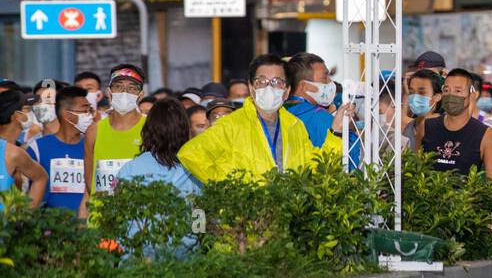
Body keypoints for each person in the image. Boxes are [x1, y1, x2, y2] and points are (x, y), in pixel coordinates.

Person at [180, 54, 339, 183]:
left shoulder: (295, 125)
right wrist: (228, 187)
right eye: (262, 81)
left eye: (277, 82)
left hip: (285, 215)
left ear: (286, 90)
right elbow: (190, 154)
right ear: (251, 87)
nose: (269, 87)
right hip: (245, 219)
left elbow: (314, 167)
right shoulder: (231, 124)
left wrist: (336, 133)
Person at [420, 67, 492, 178]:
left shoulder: (486, 134)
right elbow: (415, 168)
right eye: (446, 90)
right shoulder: (426, 126)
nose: (451, 95)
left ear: (471, 96)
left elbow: (491, 183)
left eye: (458, 91)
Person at [27, 85, 94, 214]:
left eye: (90, 110)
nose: (90, 115)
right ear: (67, 115)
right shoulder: (37, 148)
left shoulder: (93, 146)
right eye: (85, 110)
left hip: (87, 228)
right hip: (48, 227)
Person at [117, 98, 202, 198]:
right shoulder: (198, 167)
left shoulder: (130, 169)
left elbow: (119, 209)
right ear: (185, 128)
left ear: (149, 127)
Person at [284, 52, 359, 165]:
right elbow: (349, 158)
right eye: (325, 78)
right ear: (304, 87)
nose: (330, 83)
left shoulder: (281, 113)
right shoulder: (320, 118)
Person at [84, 63, 147, 198]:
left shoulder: (151, 128)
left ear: (140, 95)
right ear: (109, 92)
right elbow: (89, 178)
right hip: (103, 214)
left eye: (131, 88)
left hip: (140, 215)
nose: (124, 92)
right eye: (118, 87)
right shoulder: (94, 130)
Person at [0, 90, 48, 207]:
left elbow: (41, 178)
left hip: (7, 224)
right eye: (27, 109)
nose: (32, 113)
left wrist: (25, 219)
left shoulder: (16, 152)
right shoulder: (12, 152)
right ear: (17, 115)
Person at [402, 69, 442, 149]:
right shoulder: (409, 127)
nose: (415, 97)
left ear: (437, 97)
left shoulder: (444, 127)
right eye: (411, 92)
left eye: (422, 93)